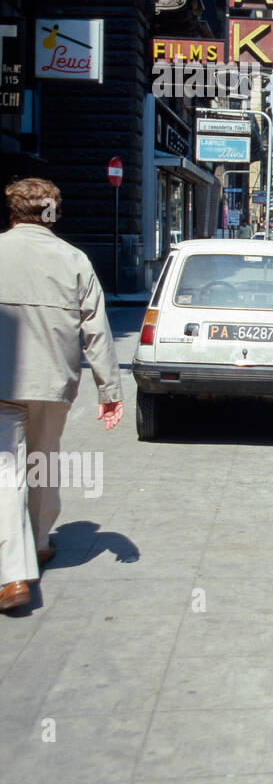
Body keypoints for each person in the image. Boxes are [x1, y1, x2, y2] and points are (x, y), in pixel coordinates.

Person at [0, 179, 124, 613]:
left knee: (6, 471)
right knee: (43, 460)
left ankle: (13, 574)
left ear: (12, 214)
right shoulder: (75, 260)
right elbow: (96, 330)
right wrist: (108, 390)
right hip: (53, 383)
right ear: (52, 214)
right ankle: (37, 542)